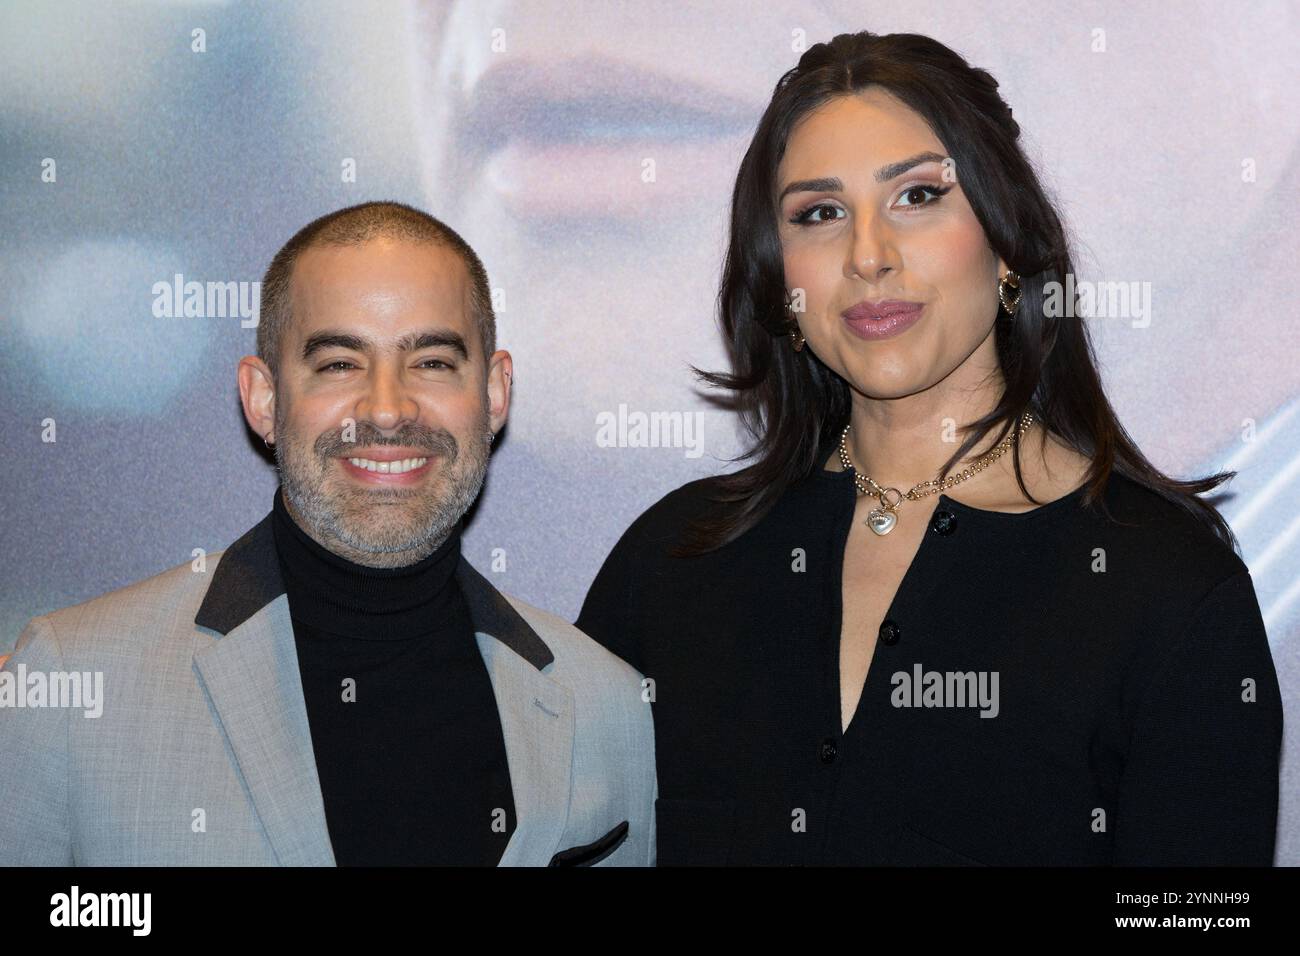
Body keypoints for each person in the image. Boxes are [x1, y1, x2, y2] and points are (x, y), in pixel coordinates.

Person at [575, 32, 1283, 866]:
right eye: (819, 213)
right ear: (779, 282)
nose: (868, 256)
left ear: (1008, 242)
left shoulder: (1166, 587)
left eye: (916, 197)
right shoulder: (671, 562)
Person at [0, 201, 655, 867]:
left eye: (431, 361)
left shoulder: (608, 705)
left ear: (493, 392)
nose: (388, 409)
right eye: (340, 363)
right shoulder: (71, 685)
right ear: (263, 398)